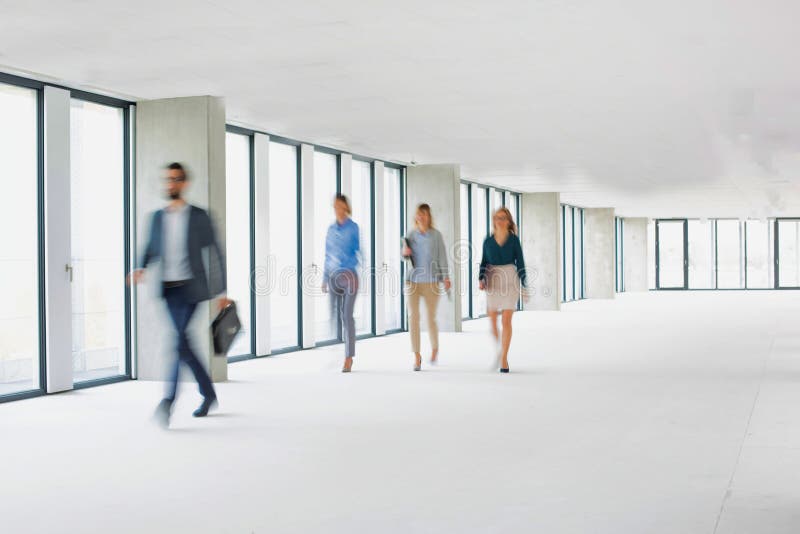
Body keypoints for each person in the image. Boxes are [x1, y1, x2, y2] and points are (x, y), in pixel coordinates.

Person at [128, 162, 231, 427]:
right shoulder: (157, 217)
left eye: (175, 179)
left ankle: (168, 402)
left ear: (184, 183)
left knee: (177, 343)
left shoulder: (199, 216)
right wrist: (140, 267)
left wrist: (221, 290)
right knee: (183, 345)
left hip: (192, 289)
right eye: (167, 180)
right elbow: (150, 247)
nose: (170, 184)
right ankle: (208, 393)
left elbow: (215, 252)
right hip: (168, 290)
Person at [403, 203, 451, 371]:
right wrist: (404, 253)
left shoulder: (436, 236)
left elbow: (443, 257)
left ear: (429, 216)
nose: (421, 217)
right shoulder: (411, 235)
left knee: (430, 318)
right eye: (418, 214)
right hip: (413, 281)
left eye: (424, 214)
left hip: (431, 281)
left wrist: (446, 276)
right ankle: (417, 356)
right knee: (413, 317)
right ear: (415, 217)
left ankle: (435, 347)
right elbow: (404, 257)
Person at [478, 207, 527, 373]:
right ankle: (499, 347)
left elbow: (520, 261)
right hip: (493, 278)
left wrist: (524, 284)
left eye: (503, 218)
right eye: (497, 217)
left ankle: (504, 357)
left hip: (510, 278)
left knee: (506, 320)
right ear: (494, 220)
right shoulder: (488, 241)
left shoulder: (514, 240)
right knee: (492, 318)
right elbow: (484, 261)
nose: (500, 220)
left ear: (508, 221)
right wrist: (480, 278)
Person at [322, 194, 360, 373]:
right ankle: (336, 349)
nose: (337, 207)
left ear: (346, 207)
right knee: (333, 316)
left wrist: (353, 270)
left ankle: (348, 357)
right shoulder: (330, 229)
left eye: (340, 205)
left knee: (347, 316)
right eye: (335, 205)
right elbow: (327, 254)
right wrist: (324, 279)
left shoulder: (353, 228)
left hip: (349, 276)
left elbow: (358, 252)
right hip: (332, 277)